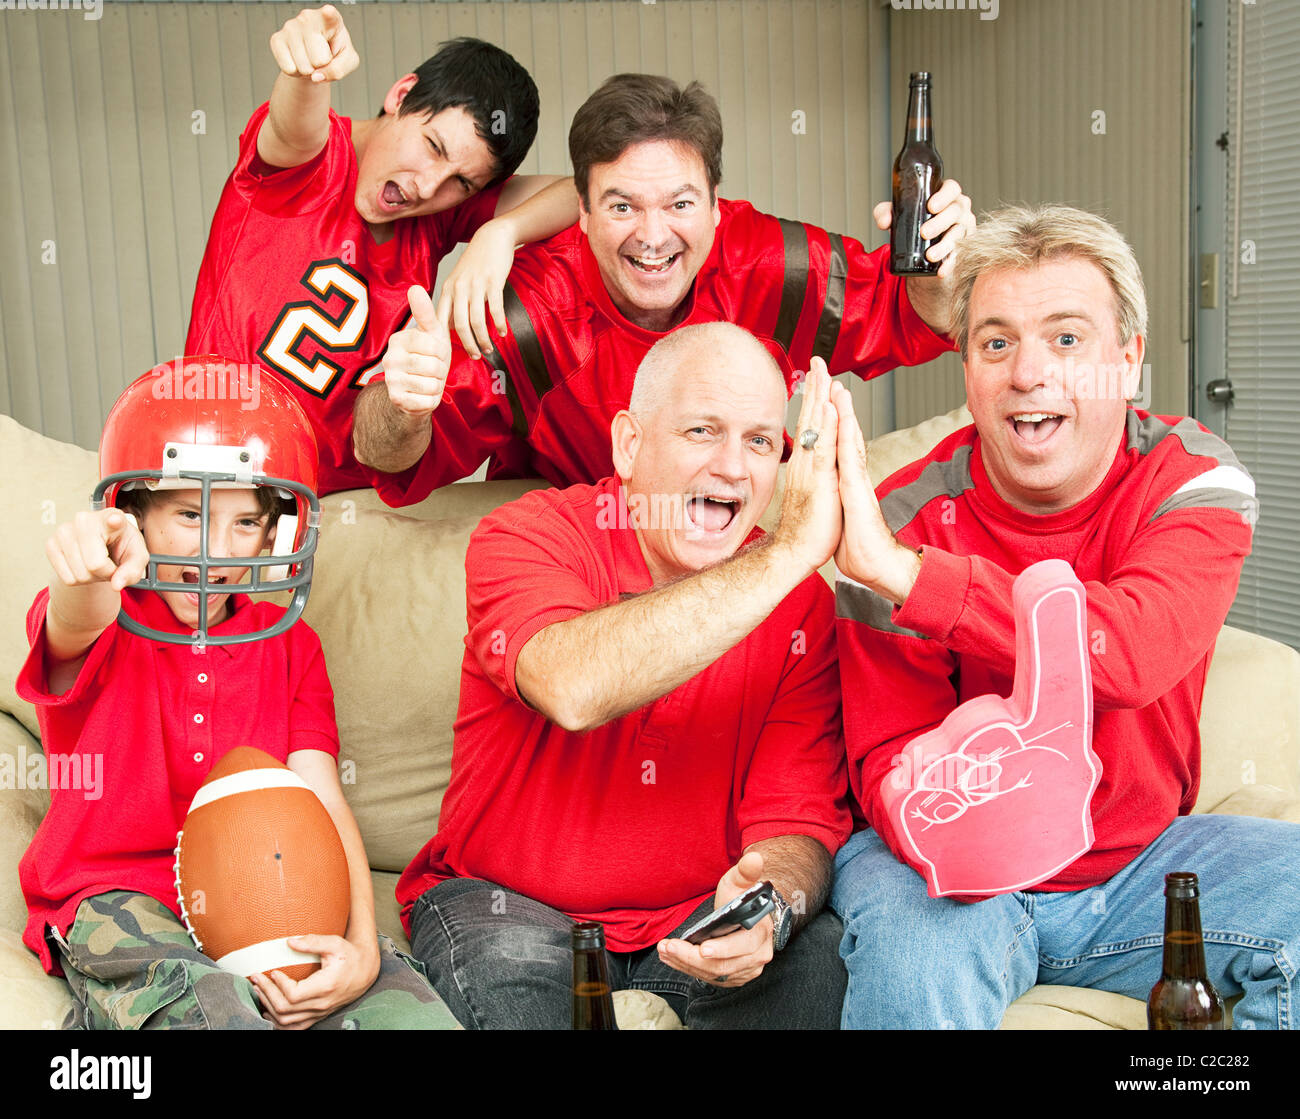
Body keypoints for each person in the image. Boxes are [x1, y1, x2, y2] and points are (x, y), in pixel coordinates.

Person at [827, 203, 1300, 1029]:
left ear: (1129, 360)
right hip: (939, 874)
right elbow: (884, 759)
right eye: (997, 341)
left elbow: (1132, 651)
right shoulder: (897, 516)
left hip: (1141, 861)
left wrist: (913, 579)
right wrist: (964, 810)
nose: (1028, 372)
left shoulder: (1192, 478)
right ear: (968, 365)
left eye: (1068, 339)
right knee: (915, 960)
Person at [395, 322, 853, 1029]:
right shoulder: (528, 535)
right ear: (630, 444)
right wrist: (789, 552)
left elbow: (793, 823)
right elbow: (572, 687)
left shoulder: (801, 606)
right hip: (508, 903)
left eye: (761, 440)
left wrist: (771, 906)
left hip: (698, 908)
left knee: (813, 963)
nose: (734, 466)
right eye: (703, 430)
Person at [17, 358, 457, 1030]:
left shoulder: (291, 644)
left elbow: (320, 797)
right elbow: (75, 617)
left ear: (277, 532)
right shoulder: (100, 614)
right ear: (128, 514)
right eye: (189, 514)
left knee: (410, 1013)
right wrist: (90, 567)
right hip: (119, 896)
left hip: (264, 890)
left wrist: (364, 950)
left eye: (244, 522)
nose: (215, 552)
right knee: (211, 1010)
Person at [353, 72, 975, 504]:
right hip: (596, 555)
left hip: (742, 545)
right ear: (582, 211)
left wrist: (940, 268)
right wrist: (402, 400)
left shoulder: (769, 264)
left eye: (679, 202)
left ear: (713, 206)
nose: (653, 237)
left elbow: (917, 317)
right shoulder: (526, 313)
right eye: (622, 206)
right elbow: (391, 456)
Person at [186, 4, 578, 494]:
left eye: (461, 181)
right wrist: (307, 67)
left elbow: (586, 191)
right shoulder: (305, 164)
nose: (428, 185)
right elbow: (294, 123)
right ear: (402, 95)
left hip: (330, 503)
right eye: (434, 146)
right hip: (221, 474)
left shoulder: (437, 216)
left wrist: (500, 232)